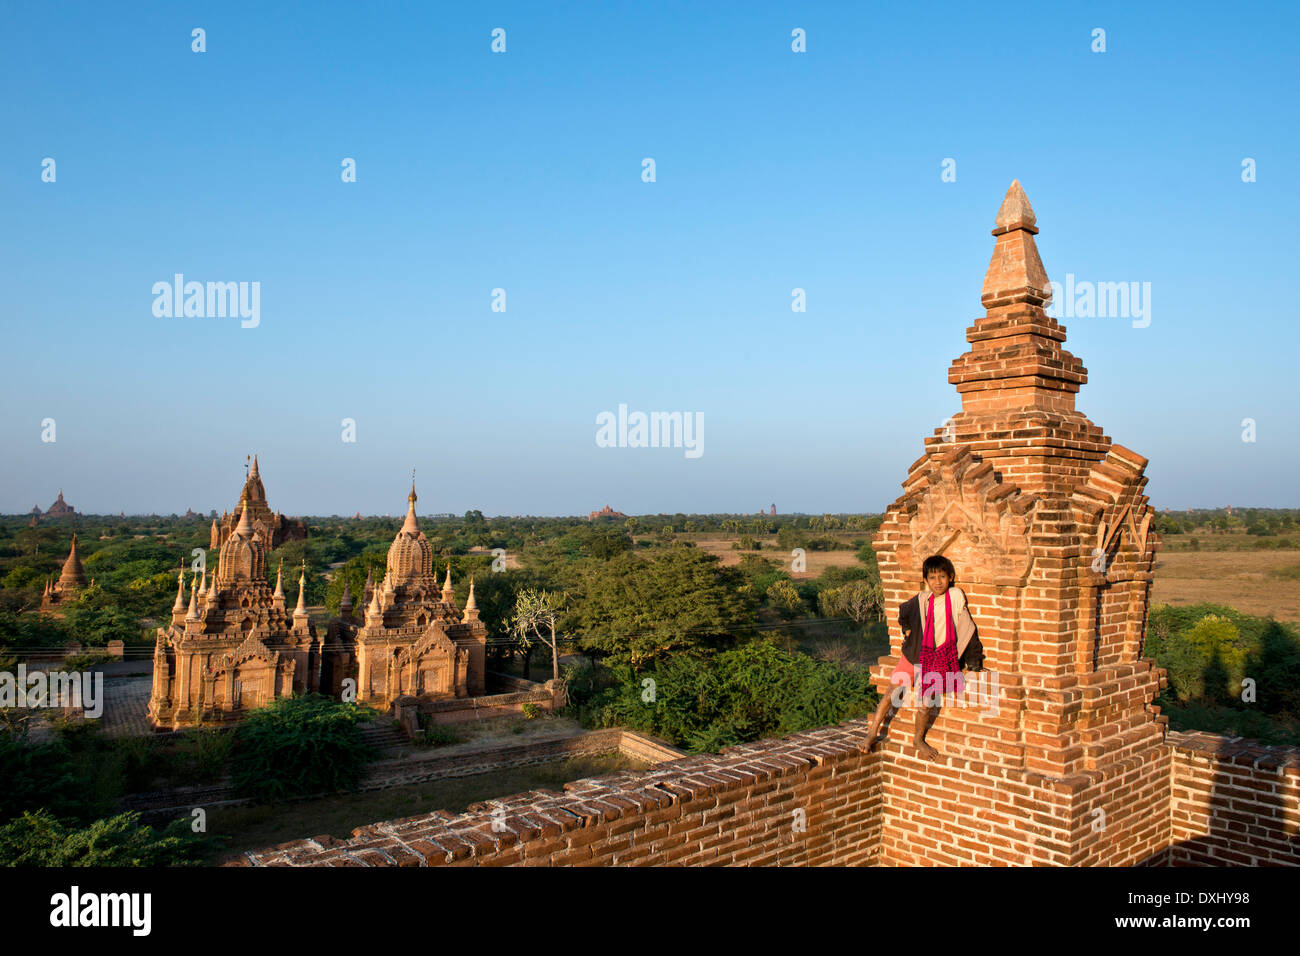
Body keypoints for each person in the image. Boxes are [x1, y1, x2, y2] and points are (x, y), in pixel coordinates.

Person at [865, 554, 983, 760]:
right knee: (892, 691)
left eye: (942, 577)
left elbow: (968, 628)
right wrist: (908, 631)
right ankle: (872, 733)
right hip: (913, 654)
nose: (937, 582)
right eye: (932, 578)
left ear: (951, 577)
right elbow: (903, 613)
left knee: (925, 704)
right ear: (926, 580)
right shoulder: (921, 599)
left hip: (938, 658)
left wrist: (973, 660)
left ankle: (918, 738)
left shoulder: (955, 597)